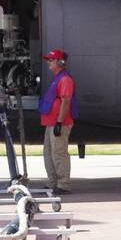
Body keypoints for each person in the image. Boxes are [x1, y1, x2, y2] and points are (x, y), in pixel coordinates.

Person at [39, 48, 76, 195]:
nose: (49, 62)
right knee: (48, 153)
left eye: (51, 60)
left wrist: (59, 122)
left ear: (60, 62)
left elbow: (66, 102)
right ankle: (53, 182)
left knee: (59, 153)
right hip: (51, 123)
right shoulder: (58, 78)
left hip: (59, 123)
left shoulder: (65, 80)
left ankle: (63, 184)